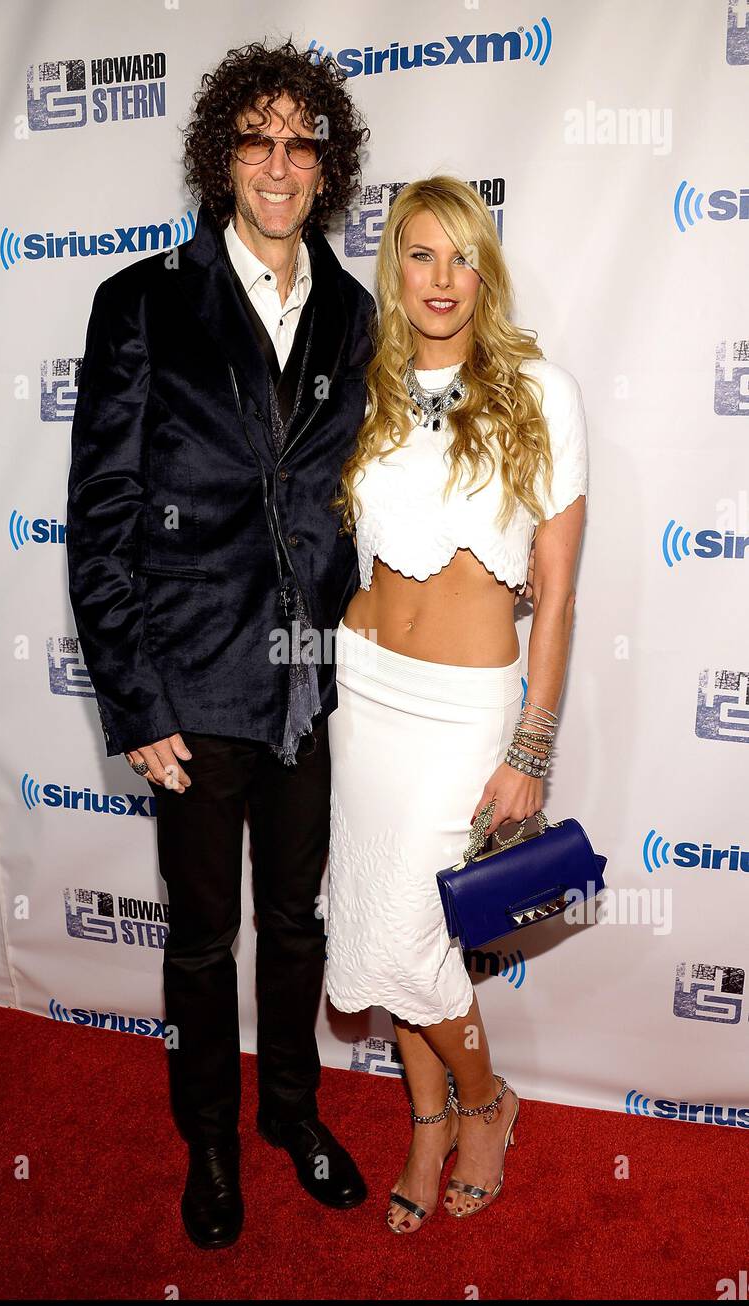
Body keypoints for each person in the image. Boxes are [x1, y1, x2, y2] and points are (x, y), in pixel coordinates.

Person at [66, 39, 377, 1249]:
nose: (281, 164)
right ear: (221, 156)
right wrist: (135, 702)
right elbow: (99, 521)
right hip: (190, 683)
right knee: (201, 934)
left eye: (304, 141)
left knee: (297, 921)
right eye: (258, 138)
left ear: (327, 163)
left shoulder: (354, 315)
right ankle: (207, 1134)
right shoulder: (141, 303)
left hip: (304, 677)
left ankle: (289, 1113)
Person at [325, 175, 588, 1234]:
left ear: (487, 269)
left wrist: (533, 743)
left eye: (462, 256)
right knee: (375, 926)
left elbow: (558, 591)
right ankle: (426, 1118)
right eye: (421, 255)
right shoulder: (371, 389)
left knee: (417, 937)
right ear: (398, 268)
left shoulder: (539, 391)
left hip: (464, 708)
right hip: (363, 687)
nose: (442, 279)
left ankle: (485, 1102)